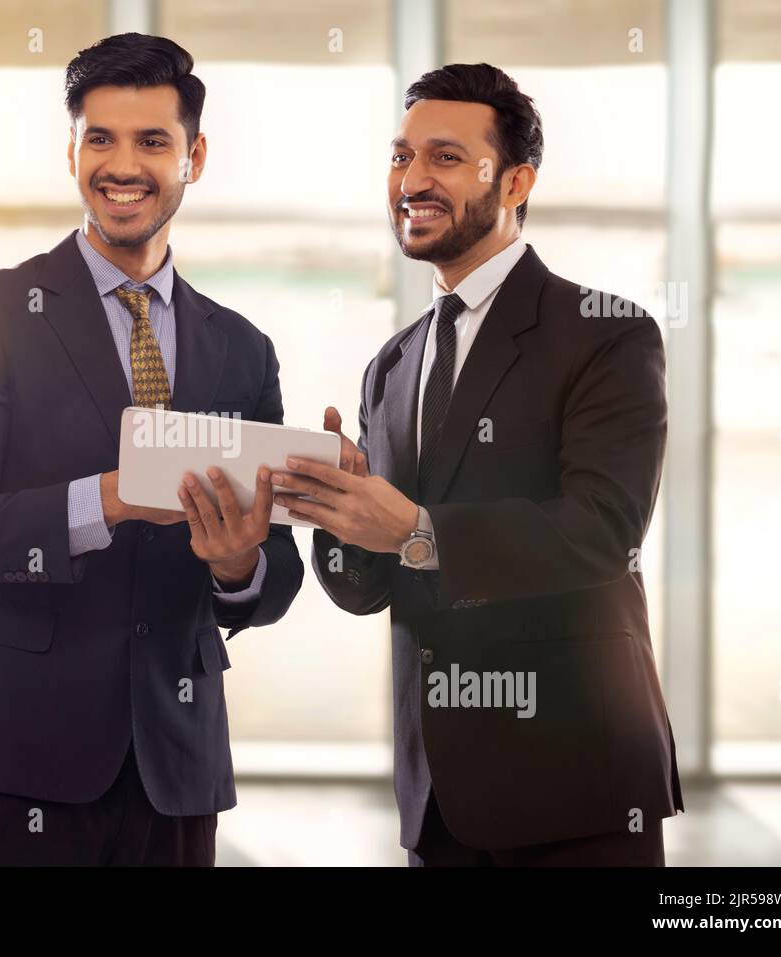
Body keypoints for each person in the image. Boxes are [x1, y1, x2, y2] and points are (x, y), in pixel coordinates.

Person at [0, 33, 302, 866]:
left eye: (152, 141)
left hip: (175, 765)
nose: (124, 165)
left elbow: (276, 575)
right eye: (101, 138)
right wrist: (109, 499)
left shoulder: (242, 350)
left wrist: (238, 568)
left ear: (194, 156)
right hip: (17, 759)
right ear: (72, 151)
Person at [273, 62, 682, 866]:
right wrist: (337, 513)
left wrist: (420, 530)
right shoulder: (392, 365)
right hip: (436, 802)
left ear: (517, 179)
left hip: (575, 784)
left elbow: (603, 529)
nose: (412, 179)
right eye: (401, 156)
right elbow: (371, 585)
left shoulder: (607, 334)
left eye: (446, 158)